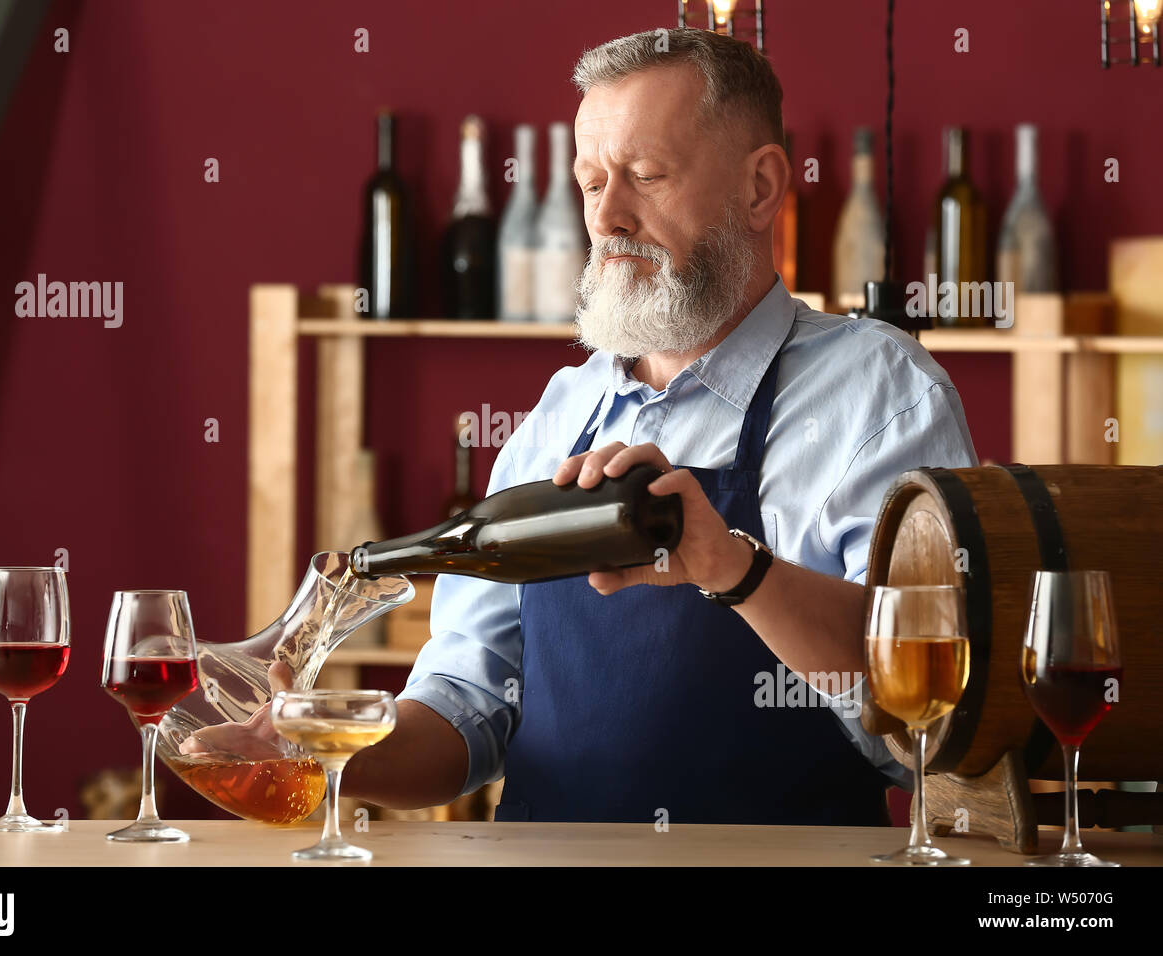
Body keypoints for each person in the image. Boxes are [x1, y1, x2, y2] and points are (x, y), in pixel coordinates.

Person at [341, 28, 977, 823]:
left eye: (645, 175)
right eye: (591, 180)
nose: (608, 215)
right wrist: (322, 756)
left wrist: (736, 570)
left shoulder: (880, 394)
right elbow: (467, 708)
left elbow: (926, 719)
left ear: (761, 187)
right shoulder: (559, 415)